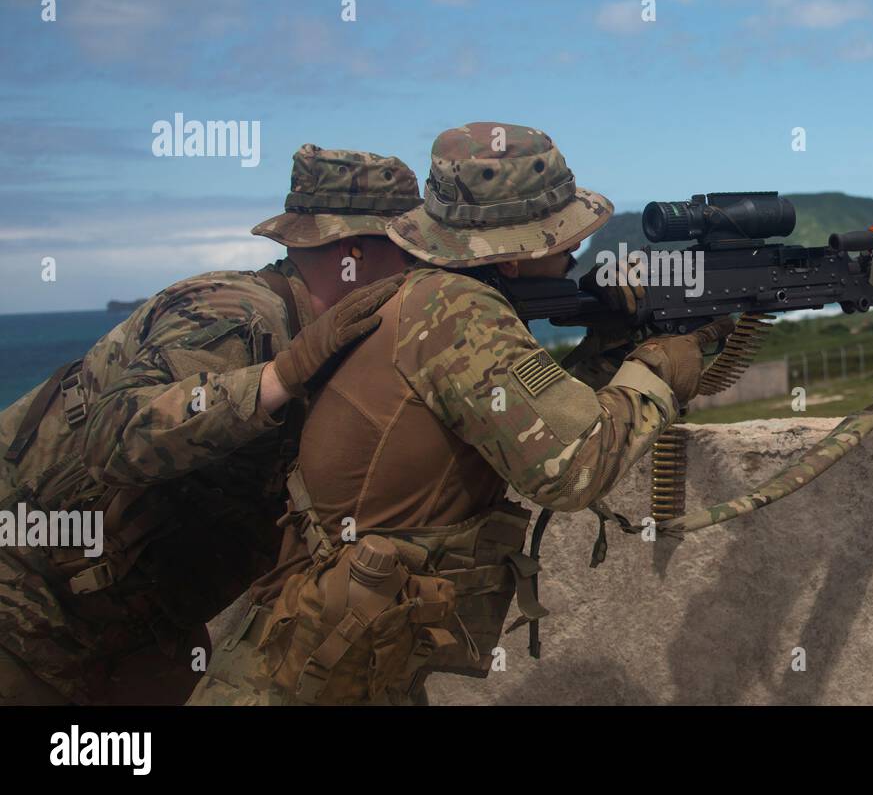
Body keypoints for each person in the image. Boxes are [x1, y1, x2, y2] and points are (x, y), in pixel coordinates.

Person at [187, 122, 731, 705]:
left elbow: (528, 423)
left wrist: (612, 343)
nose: (574, 248)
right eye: (561, 236)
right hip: (308, 680)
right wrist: (662, 365)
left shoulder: (429, 297)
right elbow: (572, 470)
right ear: (515, 257)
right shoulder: (455, 312)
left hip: (334, 658)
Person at [0, 144, 420, 704]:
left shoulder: (334, 335)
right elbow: (116, 437)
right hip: (24, 608)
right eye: (411, 254)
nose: (420, 274)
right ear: (353, 251)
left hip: (135, 627)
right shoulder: (235, 314)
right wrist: (279, 377)